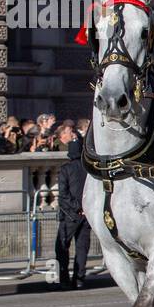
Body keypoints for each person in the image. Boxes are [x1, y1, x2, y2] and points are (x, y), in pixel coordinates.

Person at [55, 124, 90, 289]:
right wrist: (84, 207)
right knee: (82, 247)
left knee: (62, 247)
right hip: (86, 214)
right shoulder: (89, 170)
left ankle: (63, 278)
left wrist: (76, 207)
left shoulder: (66, 169)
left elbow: (63, 194)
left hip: (70, 215)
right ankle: (79, 278)